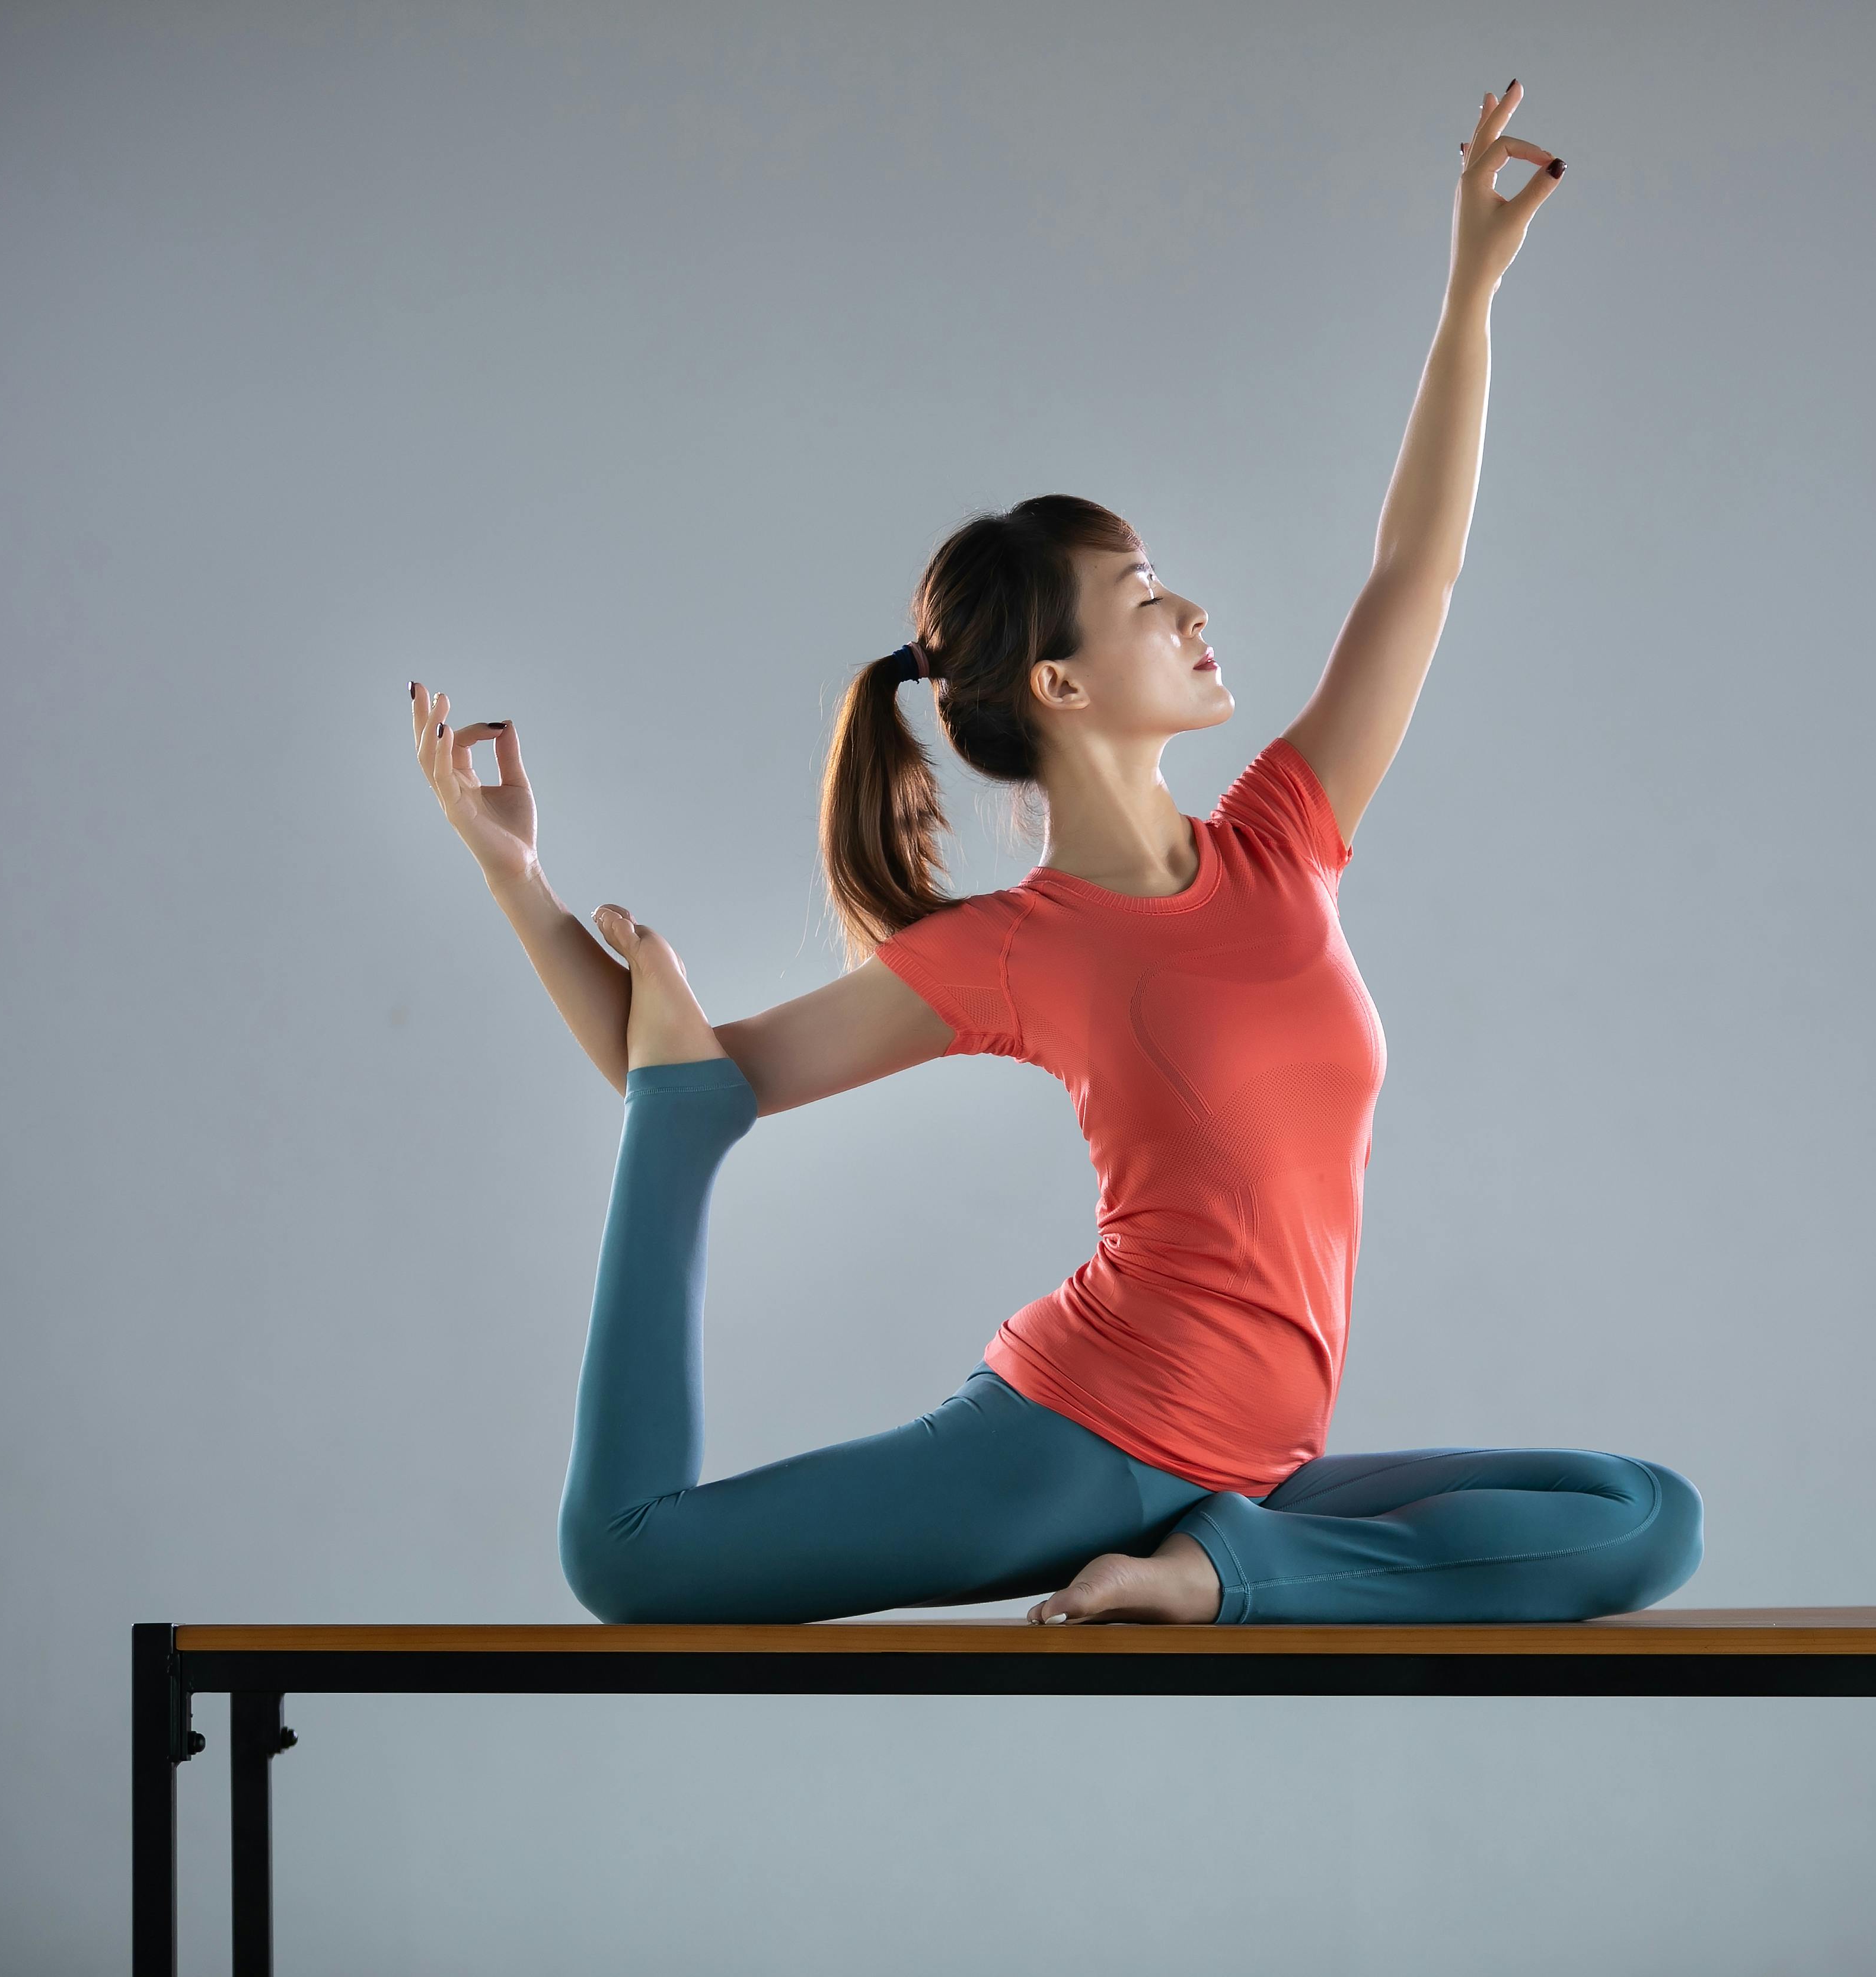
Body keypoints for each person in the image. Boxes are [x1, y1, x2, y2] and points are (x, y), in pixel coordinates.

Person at [409, 81, 1700, 1626]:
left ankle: (1218, 1574)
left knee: (1639, 1515)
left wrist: (1466, 297)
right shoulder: (1017, 948)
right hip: (1072, 1446)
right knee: (631, 1560)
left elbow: (1415, 570)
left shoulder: (1284, 842)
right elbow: (690, 1067)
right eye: (1144, 591)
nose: (1188, 608)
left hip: (1254, 1469)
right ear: (1063, 686)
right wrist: (516, 881)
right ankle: (1200, 1570)